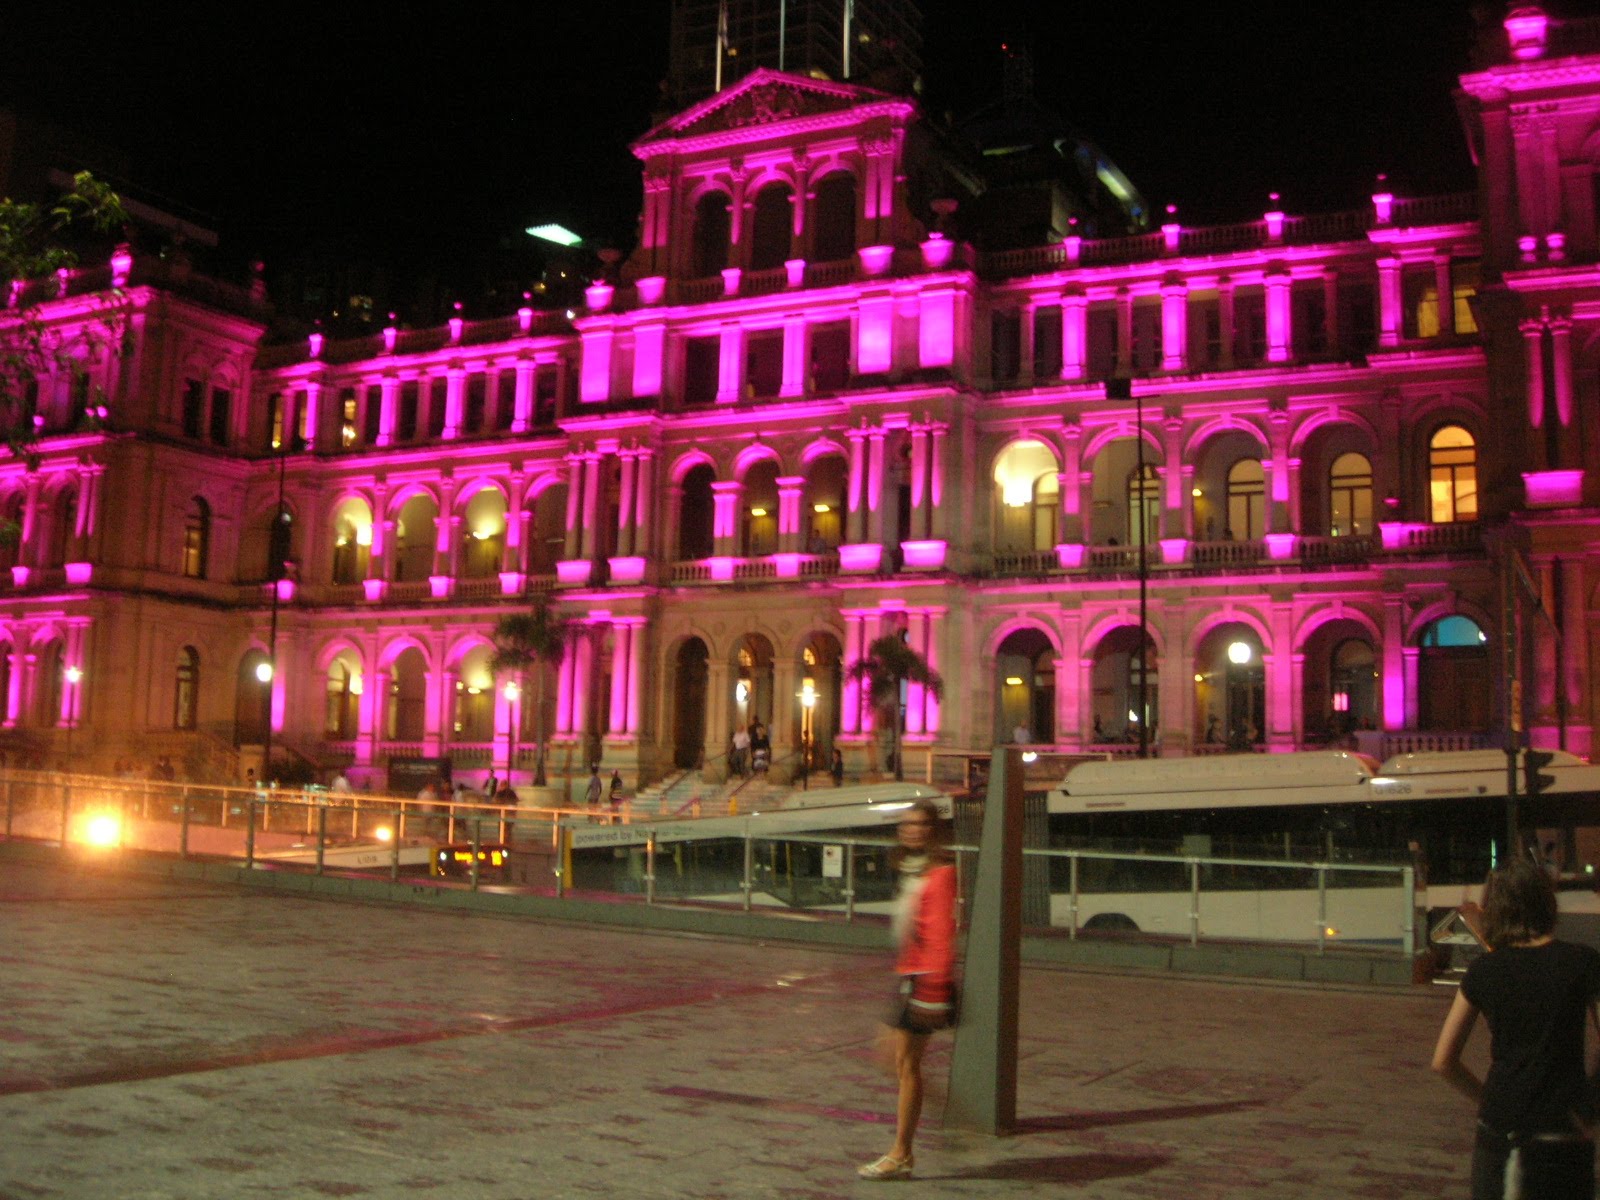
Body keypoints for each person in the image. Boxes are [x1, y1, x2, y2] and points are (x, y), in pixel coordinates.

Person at [1432, 857, 1600, 1200]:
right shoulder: (1583, 962)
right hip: (1562, 1125)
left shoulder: (1484, 971)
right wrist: (1590, 1103)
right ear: (1547, 903)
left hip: (1500, 1128)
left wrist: (1487, 1098)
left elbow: (1443, 1061)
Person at [858, 798, 957, 1181]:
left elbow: (942, 936)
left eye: (920, 824)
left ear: (933, 831)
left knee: (905, 1064)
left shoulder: (940, 873)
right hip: (909, 975)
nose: (912, 830)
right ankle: (934, 1121)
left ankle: (902, 1153)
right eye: (907, 824)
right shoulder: (910, 868)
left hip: (924, 980)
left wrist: (933, 989)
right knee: (893, 1059)